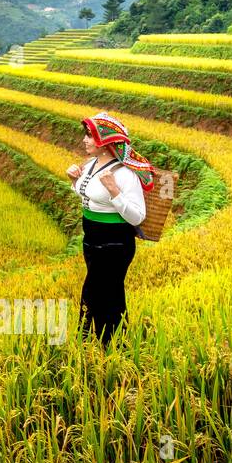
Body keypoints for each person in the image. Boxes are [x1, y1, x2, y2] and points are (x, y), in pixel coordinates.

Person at [65, 111, 153, 345]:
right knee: (109, 294)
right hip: (91, 241)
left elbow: (138, 216)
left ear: (105, 141)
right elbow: (91, 197)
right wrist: (74, 181)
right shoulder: (91, 165)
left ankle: (98, 344)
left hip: (115, 244)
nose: (84, 140)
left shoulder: (124, 174)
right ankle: (112, 346)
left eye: (90, 136)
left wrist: (114, 191)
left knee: (95, 295)